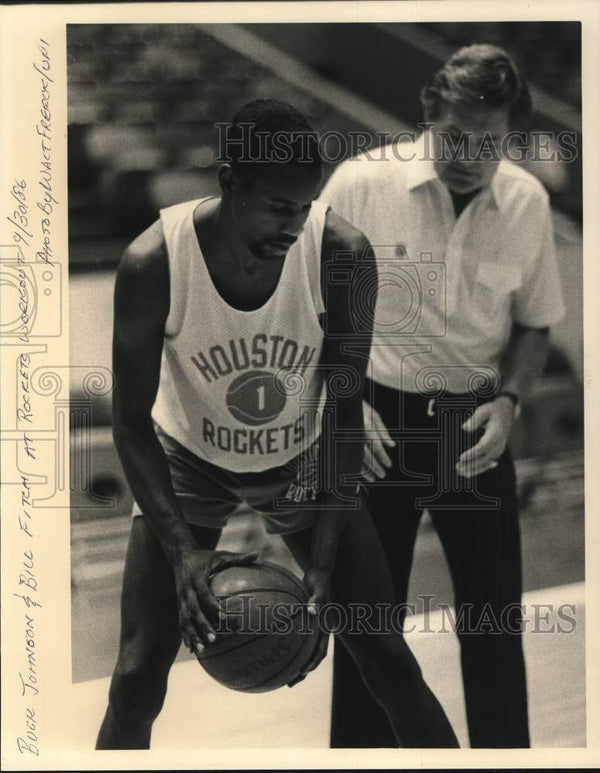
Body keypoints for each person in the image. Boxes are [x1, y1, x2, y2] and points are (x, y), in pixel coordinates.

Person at [95, 99, 459, 750]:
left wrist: (321, 561)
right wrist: (183, 556)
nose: (292, 225)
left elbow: (345, 409)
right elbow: (128, 421)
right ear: (230, 181)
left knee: (386, 657)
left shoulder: (341, 253)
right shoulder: (155, 260)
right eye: (276, 207)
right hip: (189, 460)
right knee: (137, 673)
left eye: (303, 207)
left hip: (302, 459)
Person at [321, 45, 565, 748]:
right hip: (372, 418)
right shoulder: (360, 182)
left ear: (511, 136)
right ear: (431, 113)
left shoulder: (526, 201)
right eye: (457, 135)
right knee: (369, 632)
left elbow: (536, 324)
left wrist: (512, 401)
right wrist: (344, 400)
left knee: (494, 624)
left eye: (489, 142)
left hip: (472, 423)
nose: (470, 154)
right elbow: (304, 304)